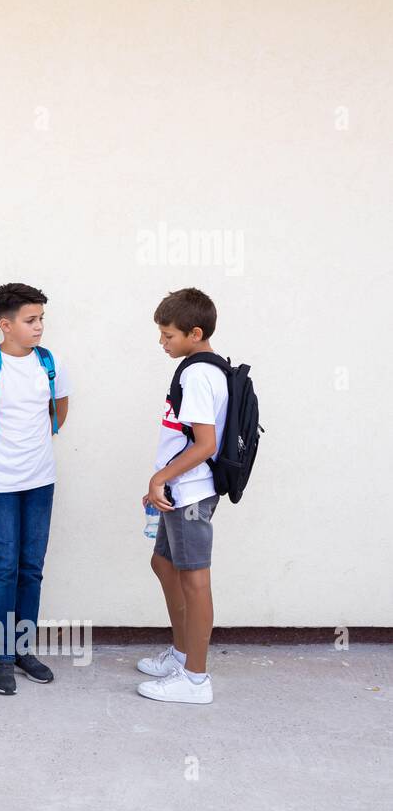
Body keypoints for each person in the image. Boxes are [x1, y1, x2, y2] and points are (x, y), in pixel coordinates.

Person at [0, 283, 72, 695]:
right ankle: (0, 657)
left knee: (31, 566)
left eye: (41, 319)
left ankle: (23, 649)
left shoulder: (48, 363)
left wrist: (37, 444)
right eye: (30, 320)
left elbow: (61, 406)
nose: (39, 327)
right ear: (6, 325)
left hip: (40, 480)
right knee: (2, 566)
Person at [136, 288, 228, 704]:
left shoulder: (198, 375)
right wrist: (163, 481)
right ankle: (182, 653)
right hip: (179, 489)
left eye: (168, 335)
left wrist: (161, 477)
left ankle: (195, 679)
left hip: (190, 494)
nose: (162, 342)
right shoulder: (196, 369)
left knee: (194, 581)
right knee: (163, 564)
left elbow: (205, 444)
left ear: (194, 332)